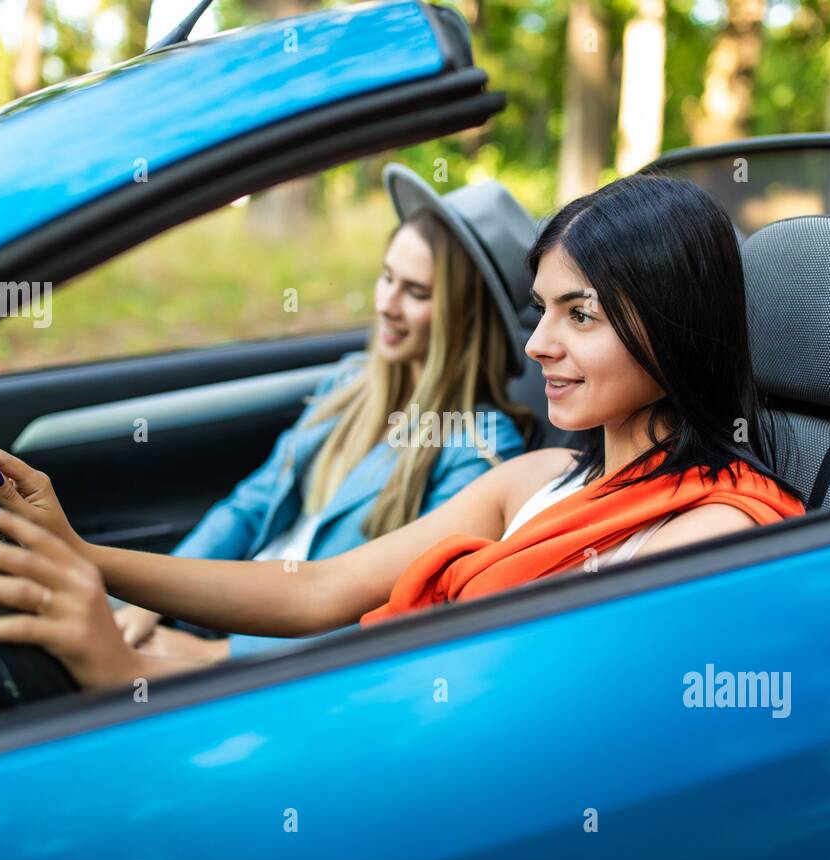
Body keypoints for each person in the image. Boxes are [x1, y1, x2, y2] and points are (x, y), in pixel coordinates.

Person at [0, 173, 807, 688]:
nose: (539, 344)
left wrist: (132, 674)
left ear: (671, 323)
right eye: (541, 310)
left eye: (578, 316)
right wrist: (85, 555)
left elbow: (501, 706)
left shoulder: (715, 530)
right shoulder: (535, 476)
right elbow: (318, 590)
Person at [111, 164, 537, 661]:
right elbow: (250, 506)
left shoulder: (480, 446)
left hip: (282, 660)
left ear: (466, 317)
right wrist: (147, 605)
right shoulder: (350, 382)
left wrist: (214, 656)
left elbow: (402, 603)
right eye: (386, 278)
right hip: (225, 607)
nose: (386, 304)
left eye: (416, 292)